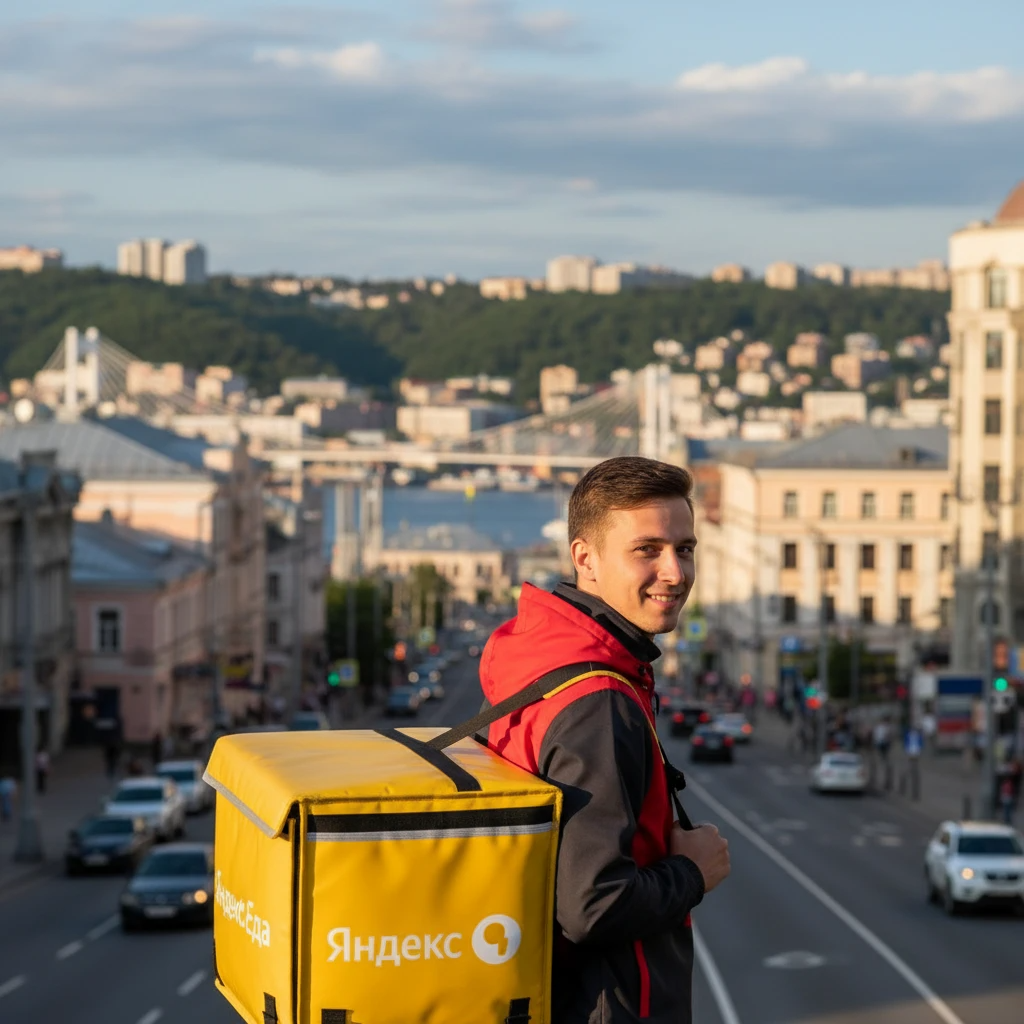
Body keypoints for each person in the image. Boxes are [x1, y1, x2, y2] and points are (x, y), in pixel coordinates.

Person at [480, 456, 730, 1024]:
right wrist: (694, 872)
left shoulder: (542, 652)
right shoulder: (598, 700)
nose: (675, 572)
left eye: (684, 548)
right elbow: (591, 905)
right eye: (648, 550)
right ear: (584, 559)